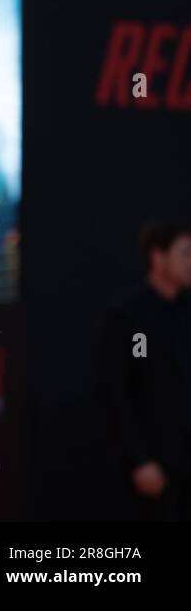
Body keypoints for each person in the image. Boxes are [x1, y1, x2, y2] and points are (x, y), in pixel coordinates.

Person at [98, 221, 191, 520]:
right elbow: (118, 392)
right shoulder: (129, 316)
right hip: (155, 465)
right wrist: (140, 458)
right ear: (158, 257)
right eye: (186, 253)